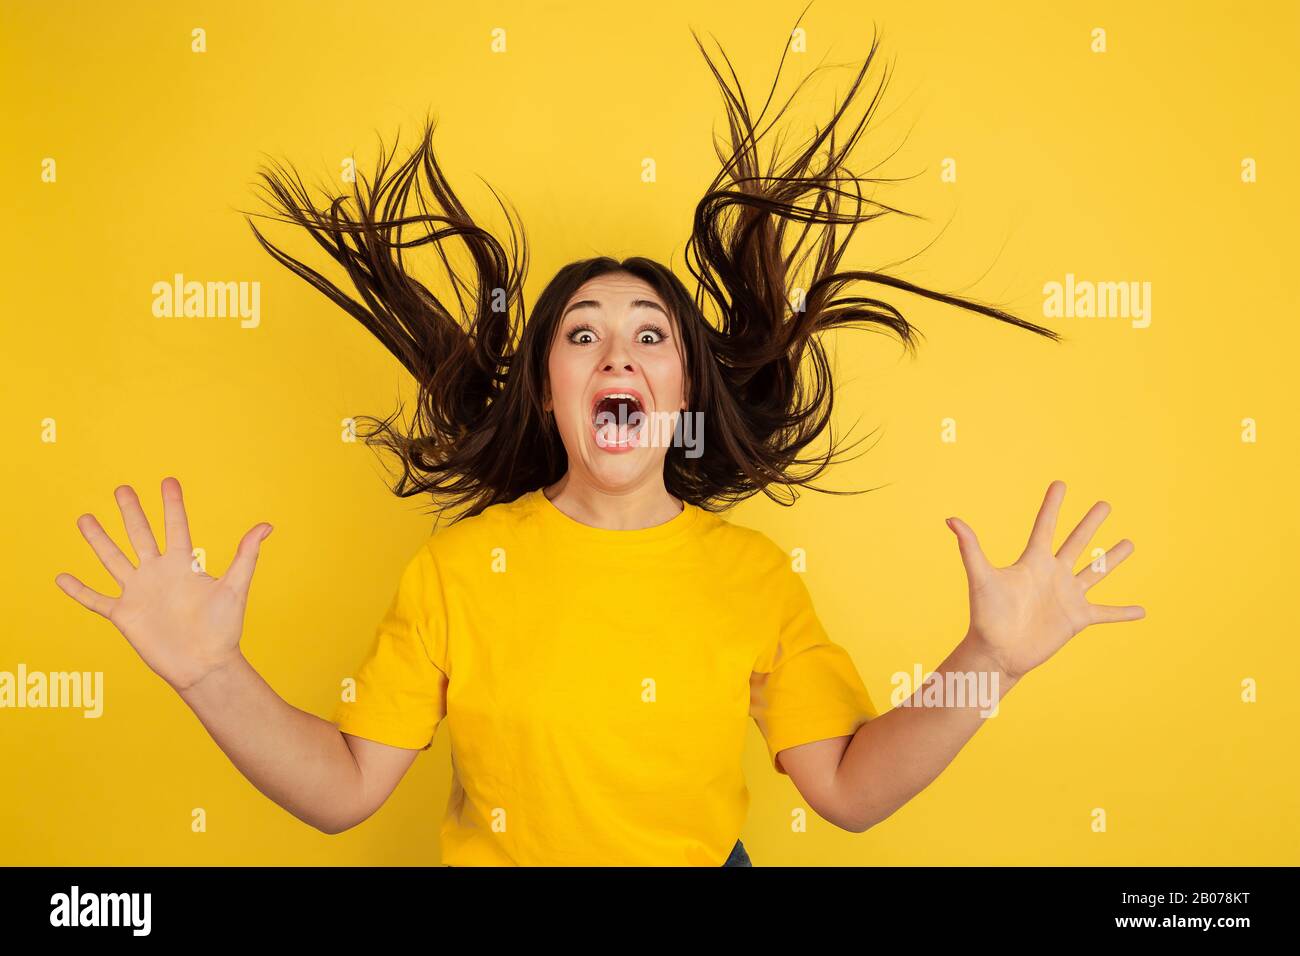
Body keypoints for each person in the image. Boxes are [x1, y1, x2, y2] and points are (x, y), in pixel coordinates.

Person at [53, 15, 1144, 866]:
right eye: (582, 335)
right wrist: (208, 671)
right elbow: (344, 791)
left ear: (681, 389)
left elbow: (851, 790)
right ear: (547, 394)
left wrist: (987, 661)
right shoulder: (457, 571)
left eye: (647, 335)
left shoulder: (754, 578)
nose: (615, 352)